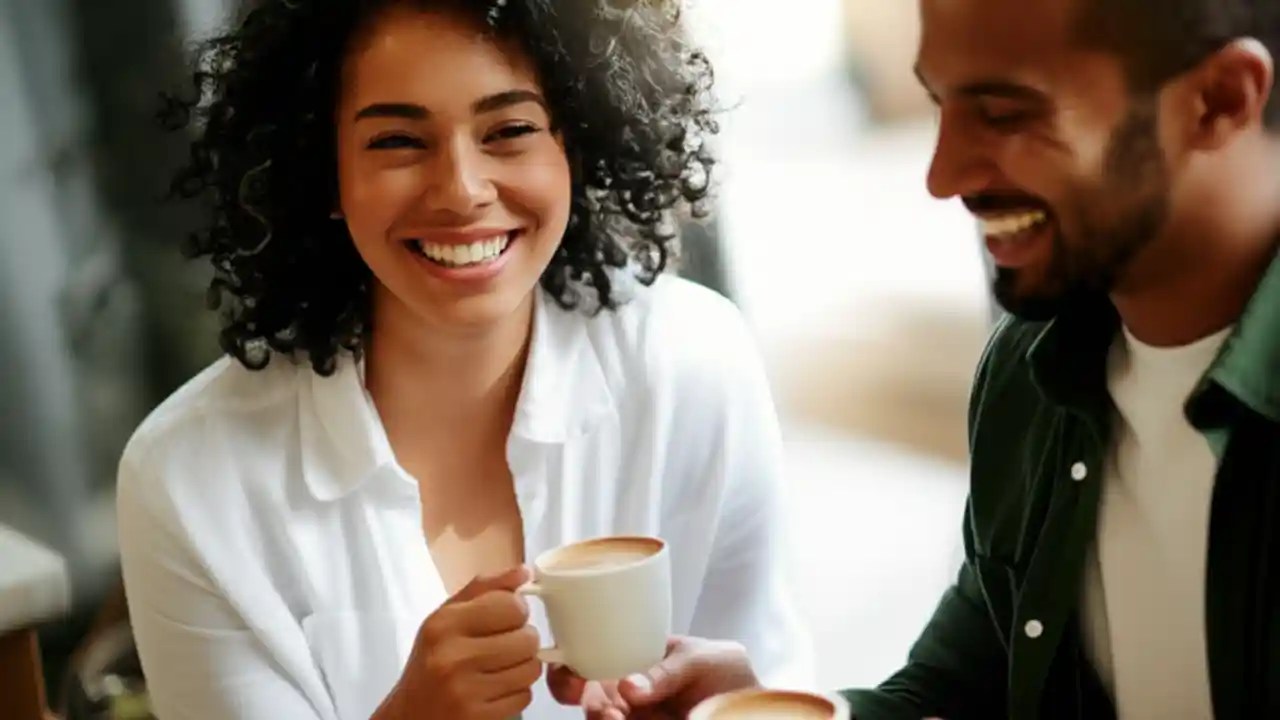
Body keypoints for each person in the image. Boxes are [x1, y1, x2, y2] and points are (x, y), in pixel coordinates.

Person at [549, 0, 1280, 717]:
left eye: (1003, 113)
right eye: (940, 105)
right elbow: (961, 687)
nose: (944, 174)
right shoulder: (1033, 371)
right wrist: (772, 712)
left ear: (1218, 101)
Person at [115, 1, 815, 718]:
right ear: (321, 170)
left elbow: (767, 679)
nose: (461, 190)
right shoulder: (190, 478)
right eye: (397, 141)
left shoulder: (695, 364)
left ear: (574, 140)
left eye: (509, 131)